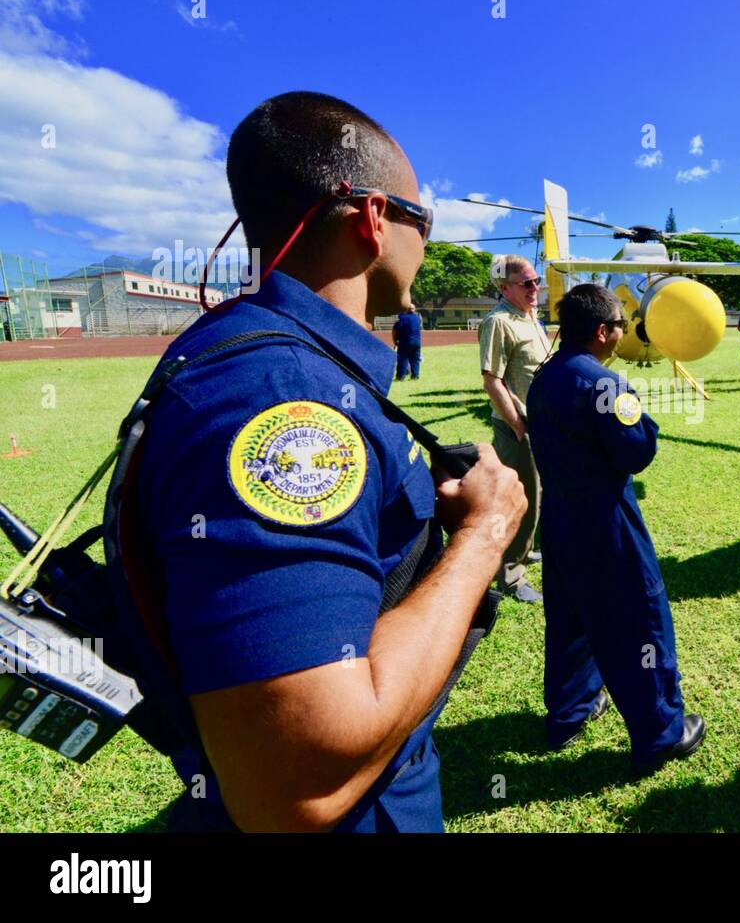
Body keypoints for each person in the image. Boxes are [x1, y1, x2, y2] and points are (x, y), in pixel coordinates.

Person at [119, 92, 526, 832]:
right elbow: (295, 784)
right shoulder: (287, 399)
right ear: (374, 221)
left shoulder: (267, 357)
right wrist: (485, 535)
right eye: (422, 219)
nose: (426, 241)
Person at [527, 283, 706, 770]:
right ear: (604, 332)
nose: (624, 334)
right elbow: (637, 452)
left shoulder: (544, 376)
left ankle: (569, 711)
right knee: (638, 622)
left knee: (570, 619)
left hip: (559, 520)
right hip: (606, 522)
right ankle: (662, 732)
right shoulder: (604, 384)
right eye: (621, 327)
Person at [479, 255, 550, 603]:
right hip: (518, 428)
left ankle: (528, 547)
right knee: (524, 499)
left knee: (538, 496)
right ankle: (510, 576)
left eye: (536, 281)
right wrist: (518, 426)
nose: (535, 288)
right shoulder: (498, 322)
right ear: (505, 288)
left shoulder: (531, 317)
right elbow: (492, 380)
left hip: (541, 425)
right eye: (526, 283)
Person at [392, 301, 423, 380]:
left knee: (403, 359)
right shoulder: (417, 318)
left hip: (405, 342)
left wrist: (395, 341)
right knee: (415, 359)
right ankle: (415, 376)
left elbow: (395, 330)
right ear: (414, 310)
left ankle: (400, 376)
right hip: (417, 342)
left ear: (407, 309)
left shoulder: (403, 318)